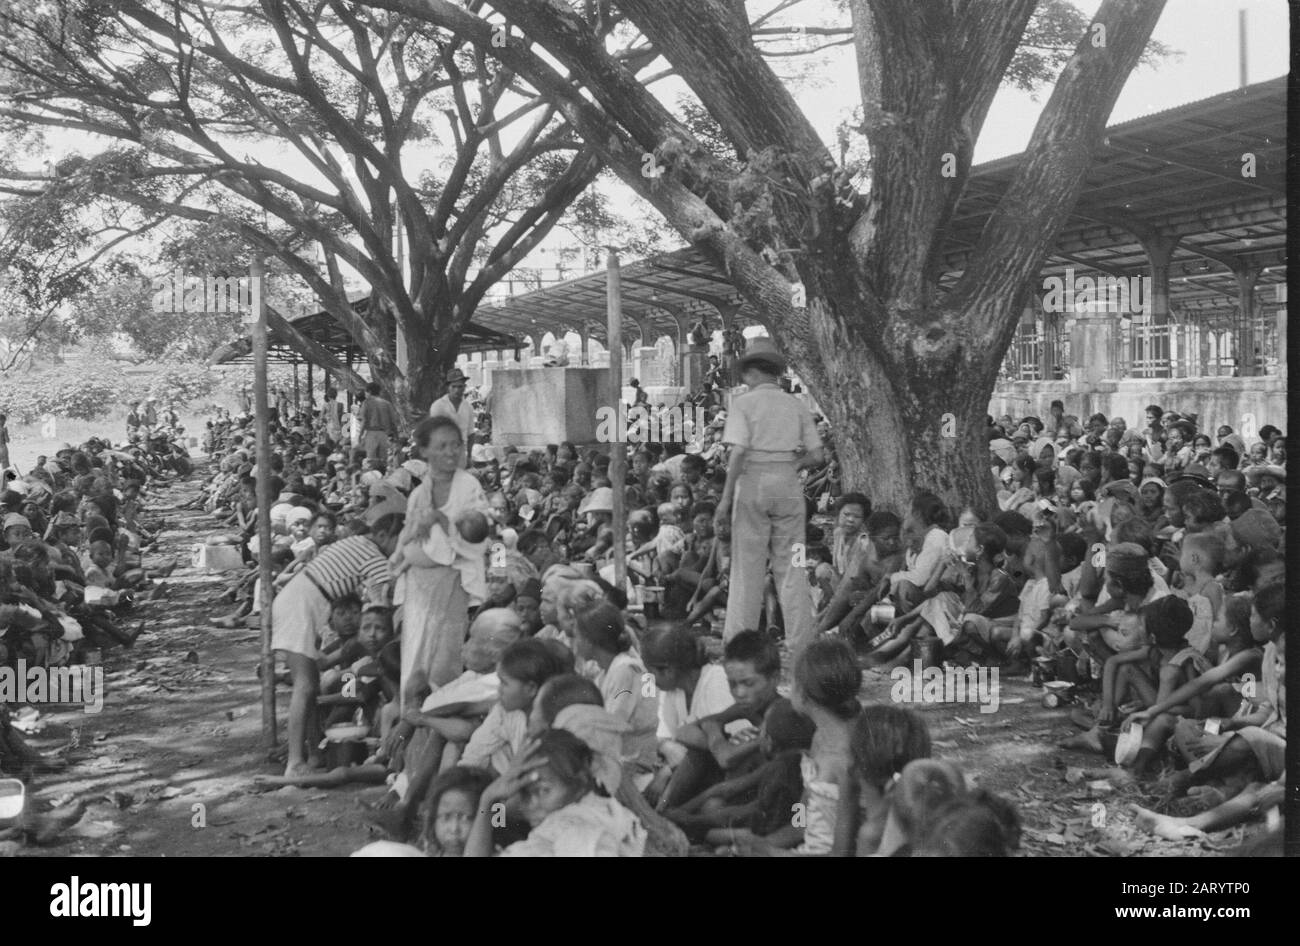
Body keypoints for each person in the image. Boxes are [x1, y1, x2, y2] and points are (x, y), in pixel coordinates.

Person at [270, 512, 403, 776]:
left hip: (300, 601)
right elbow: (387, 595)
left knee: (307, 685)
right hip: (301, 605)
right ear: (382, 536)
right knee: (305, 686)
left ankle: (313, 754)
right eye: (399, 542)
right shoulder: (372, 553)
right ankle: (295, 761)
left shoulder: (356, 543)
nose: (399, 550)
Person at [715, 337, 823, 649]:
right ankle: (802, 647)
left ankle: (739, 645)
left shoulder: (744, 404)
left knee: (747, 568)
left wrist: (724, 500)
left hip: (752, 483)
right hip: (789, 484)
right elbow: (817, 456)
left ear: (752, 372)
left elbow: (737, 454)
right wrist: (793, 465)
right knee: (793, 568)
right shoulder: (796, 405)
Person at [393, 416, 490, 700]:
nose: (451, 452)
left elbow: (476, 537)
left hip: (451, 584)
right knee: (414, 661)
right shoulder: (418, 493)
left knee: (442, 666)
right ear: (424, 451)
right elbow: (408, 535)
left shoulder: (469, 486)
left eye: (456, 445)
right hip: (418, 587)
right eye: (442, 446)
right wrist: (399, 563)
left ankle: (438, 729)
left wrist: (439, 518)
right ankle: (410, 730)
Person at [464, 730, 646, 857]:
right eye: (525, 793)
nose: (531, 803)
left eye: (543, 790)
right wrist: (491, 801)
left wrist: (489, 802)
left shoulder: (574, 826)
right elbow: (499, 827)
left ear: (580, 782)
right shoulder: (588, 810)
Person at [427, 369, 474, 466]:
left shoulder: (468, 407)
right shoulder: (438, 406)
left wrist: (469, 456)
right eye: (454, 387)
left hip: (460, 453)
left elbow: (471, 434)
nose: (457, 390)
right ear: (448, 387)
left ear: (464, 387)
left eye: (460, 387)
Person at [358, 382, 400, 461]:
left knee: (371, 460)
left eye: (366, 392)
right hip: (384, 435)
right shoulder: (387, 404)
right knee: (383, 461)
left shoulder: (366, 403)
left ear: (369, 392)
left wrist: (360, 435)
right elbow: (393, 423)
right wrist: (397, 438)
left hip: (371, 434)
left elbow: (364, 420)